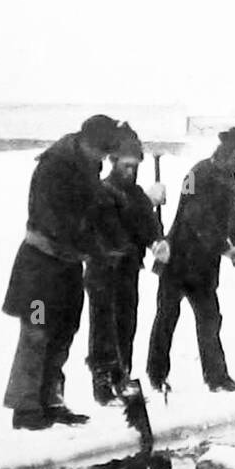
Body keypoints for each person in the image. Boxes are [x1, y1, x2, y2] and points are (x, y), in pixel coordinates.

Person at [1, 114, 126, 430]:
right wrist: (95, 249)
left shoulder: (87, 165)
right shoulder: (53, 168)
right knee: (37, 331)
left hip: (68, 267)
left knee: (64, 331)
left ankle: (52, 401)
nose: (102, 158)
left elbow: (93, 207)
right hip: (40, 269)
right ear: (86, 142)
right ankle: (25, 407)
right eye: (100, 151)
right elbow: (54, 221)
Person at [146, 127, 235, 393]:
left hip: (204, 266)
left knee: (210, 318)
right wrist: (225, 248)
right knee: (167, 317)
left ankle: (217, 377)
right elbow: (195, 217)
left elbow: (234, 217)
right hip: (178, 260)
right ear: (230, 152)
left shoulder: (229, 180)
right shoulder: (197, 174)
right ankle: (156, 376)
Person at [85, 124, 169, 405]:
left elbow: (148, 225)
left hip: (129, 271)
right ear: (113, 162)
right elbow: (115, 224)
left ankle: (122, 377)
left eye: (135, 167)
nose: (131, 172)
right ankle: (102, 385)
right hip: (102, 271)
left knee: (126, 325)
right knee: (104, 328)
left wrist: (157, 242)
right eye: (126, 166)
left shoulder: (135, 194)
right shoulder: (102, 190)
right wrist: (147, 199)